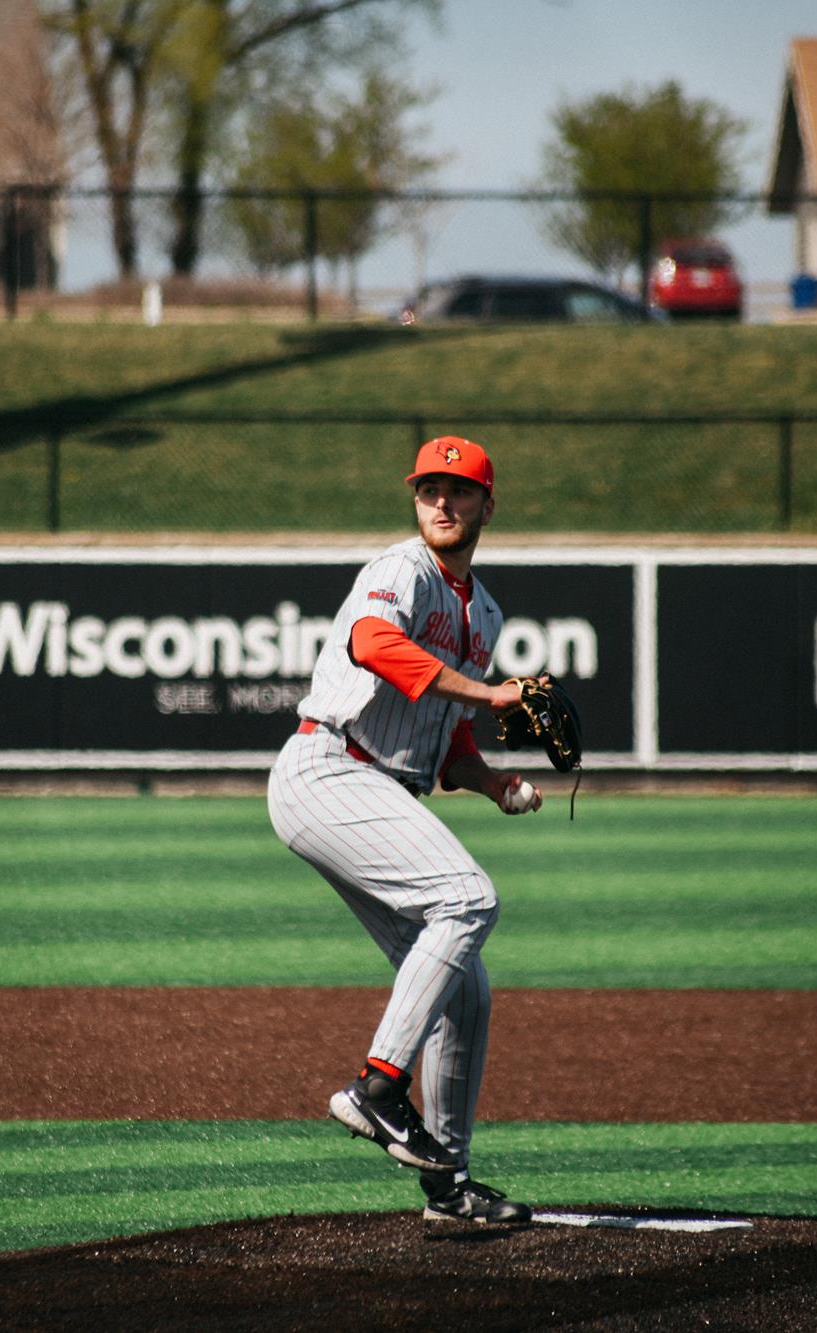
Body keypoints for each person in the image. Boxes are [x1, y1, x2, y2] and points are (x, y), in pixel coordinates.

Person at [266, 435, 542, 1226]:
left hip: (379, 787)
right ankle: (378, 1085)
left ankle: (448, 1186)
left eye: (458, 491)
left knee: (465, 990)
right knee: (469, 898)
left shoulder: (482, 611)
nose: (442, 503)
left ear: (489, 504)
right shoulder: (402, 569)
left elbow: (447, 741)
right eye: (429, 489)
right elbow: (374, 644)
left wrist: (492, 782)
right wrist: (493, 694)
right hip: (327, 767)